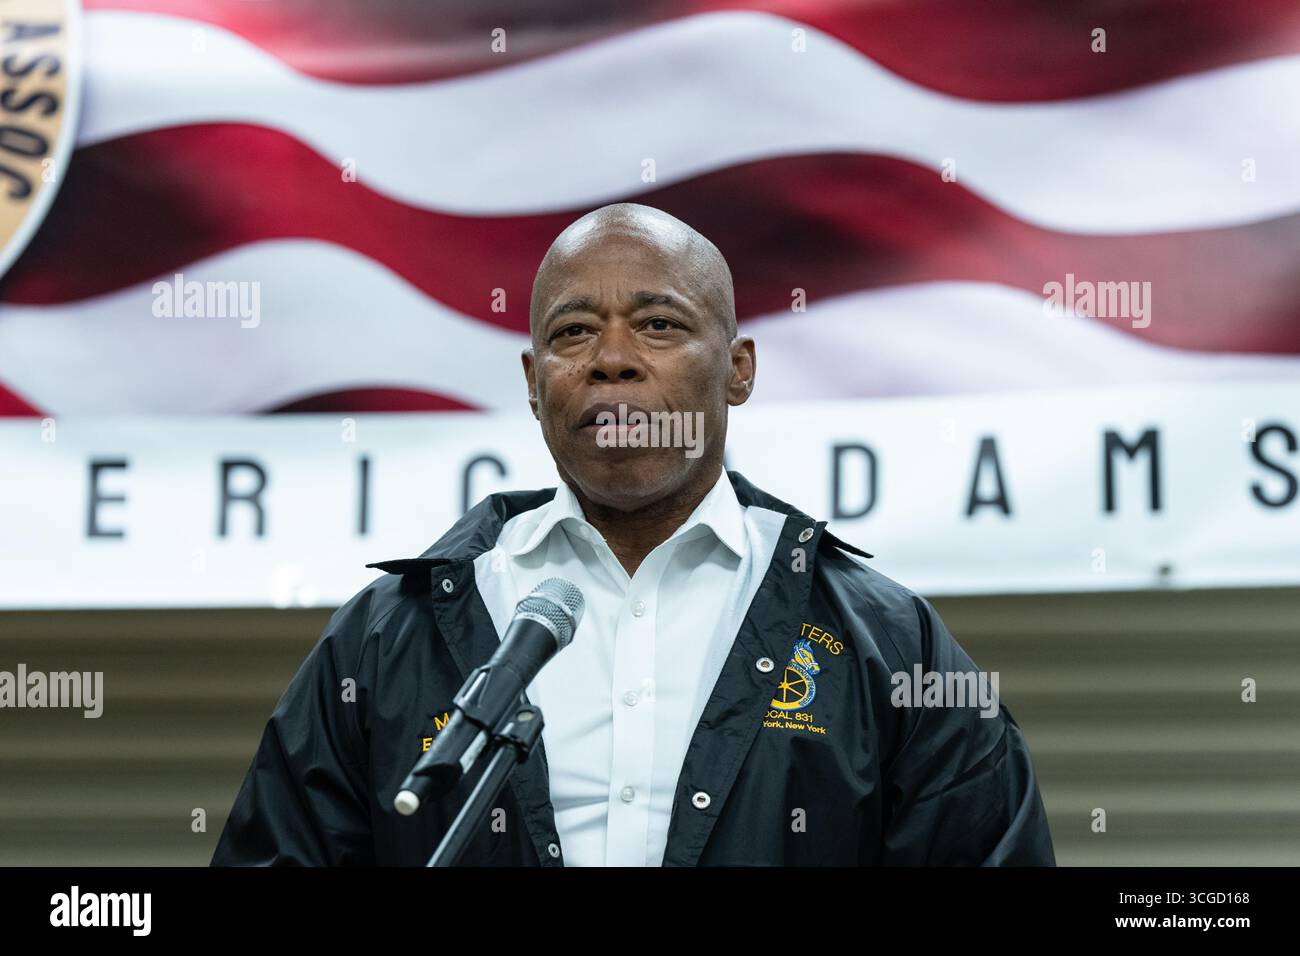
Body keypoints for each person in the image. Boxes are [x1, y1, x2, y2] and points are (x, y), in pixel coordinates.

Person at [211, 203, 1055, 866]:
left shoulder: (886, 641)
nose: (611, 358)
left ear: (738, 369)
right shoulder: (388, 638)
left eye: (658, 324)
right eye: (574, 332)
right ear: (535, 384)